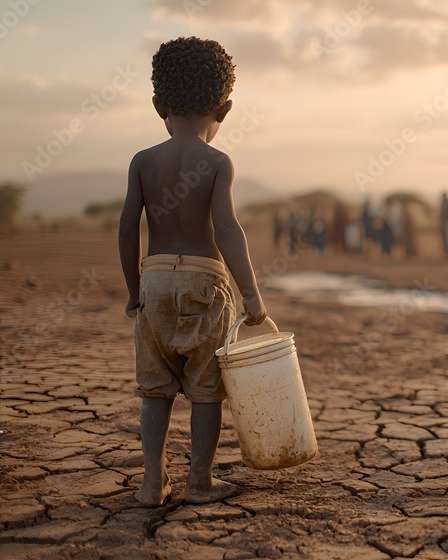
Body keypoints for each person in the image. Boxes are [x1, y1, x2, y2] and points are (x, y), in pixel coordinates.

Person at [118, 37, 267, 507]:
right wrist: (251, 295)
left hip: (155, 277)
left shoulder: (143, 162)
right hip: (207, 280)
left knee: (156, 388)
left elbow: (127, 232)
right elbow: (227, 231)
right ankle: (199, 483)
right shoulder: (218, 163)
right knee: (206, 390)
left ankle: (149, 483)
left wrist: (133, 291)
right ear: (223, 109)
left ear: (158, 104)